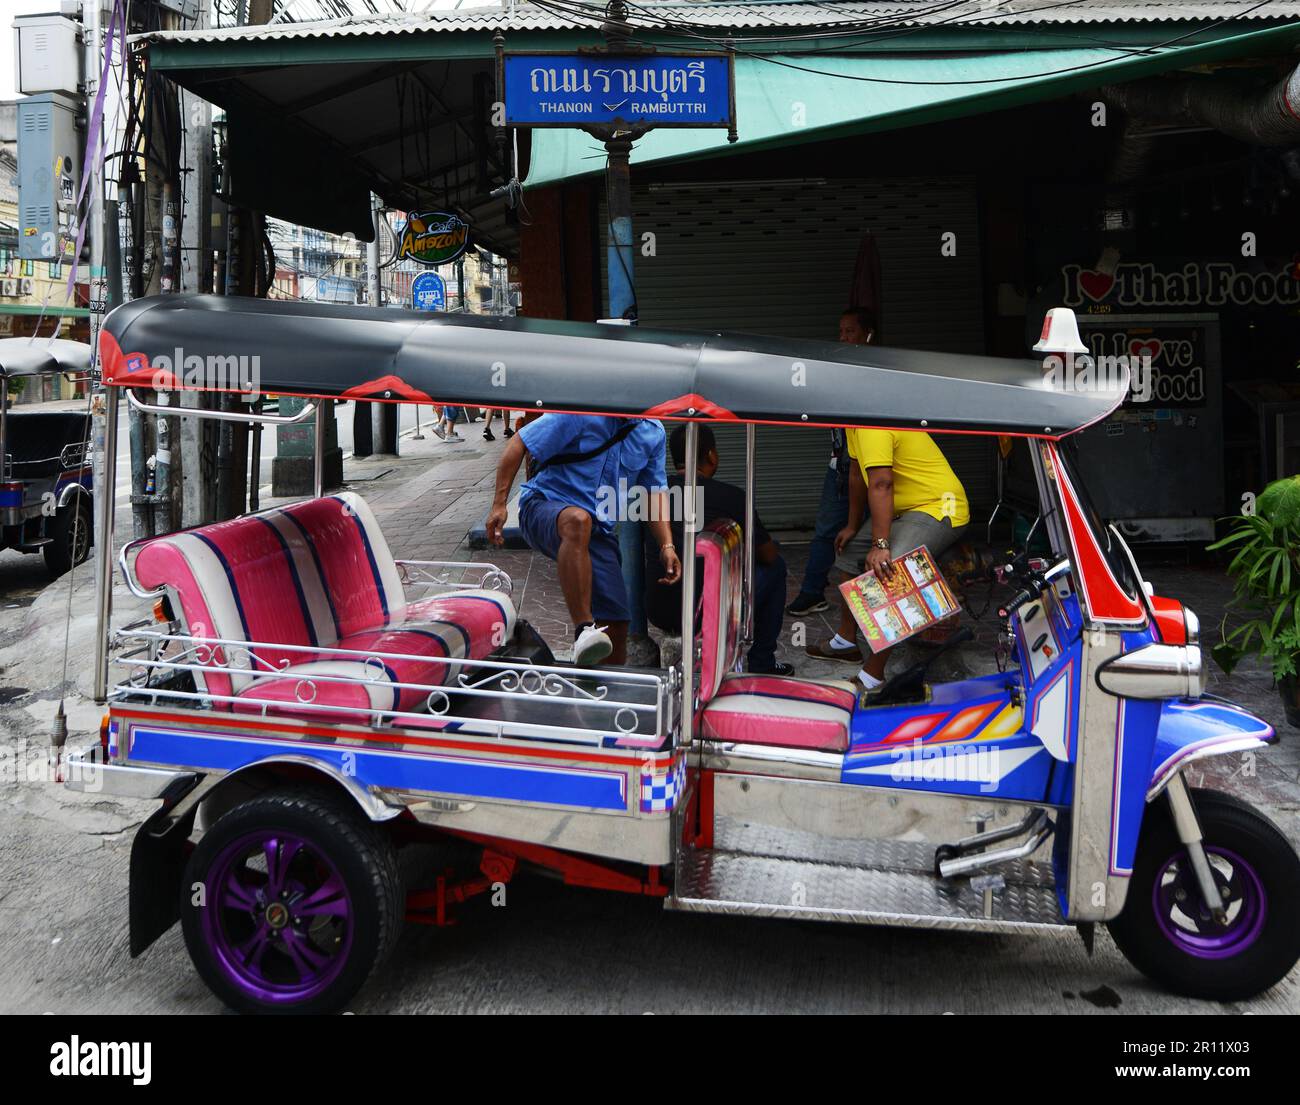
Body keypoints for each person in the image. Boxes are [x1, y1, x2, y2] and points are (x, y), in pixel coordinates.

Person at [486, 413, 681, 667]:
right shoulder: (579, 414)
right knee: (578, 521)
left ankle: (601, 689)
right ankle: (584, 630)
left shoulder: (652, 432)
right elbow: (519, 442)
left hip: (598, 529)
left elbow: (654, 492)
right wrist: (499, 504)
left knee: (618, 621)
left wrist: (667, 545)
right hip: (543, 505)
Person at [810, 426, 969, 689]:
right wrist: (852, 526)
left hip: (938, 506)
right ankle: (847, 641)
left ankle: (873, 675)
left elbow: (881, 482)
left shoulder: (872, 424)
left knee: (890, 568)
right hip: (904, 510)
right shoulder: (851, 425)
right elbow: (856, 476)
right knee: (849, 556)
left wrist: (881, 545)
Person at [644, 425, 794, 676]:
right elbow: (767, 555)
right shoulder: (732, 497)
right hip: (707, 612)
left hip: (660, 610)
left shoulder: (653, 495)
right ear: (712, 456)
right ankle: (762, 661)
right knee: (776, 567)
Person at [786, 307, 875, 616]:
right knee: (827, 531)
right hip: (841, 467)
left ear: (867, 335)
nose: (842, 337)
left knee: (872, 533)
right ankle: (813, 592)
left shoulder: (876, 375)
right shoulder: (839, 370)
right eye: (841, 332)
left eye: (849, 331)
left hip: (870, 467)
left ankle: (869, 602)